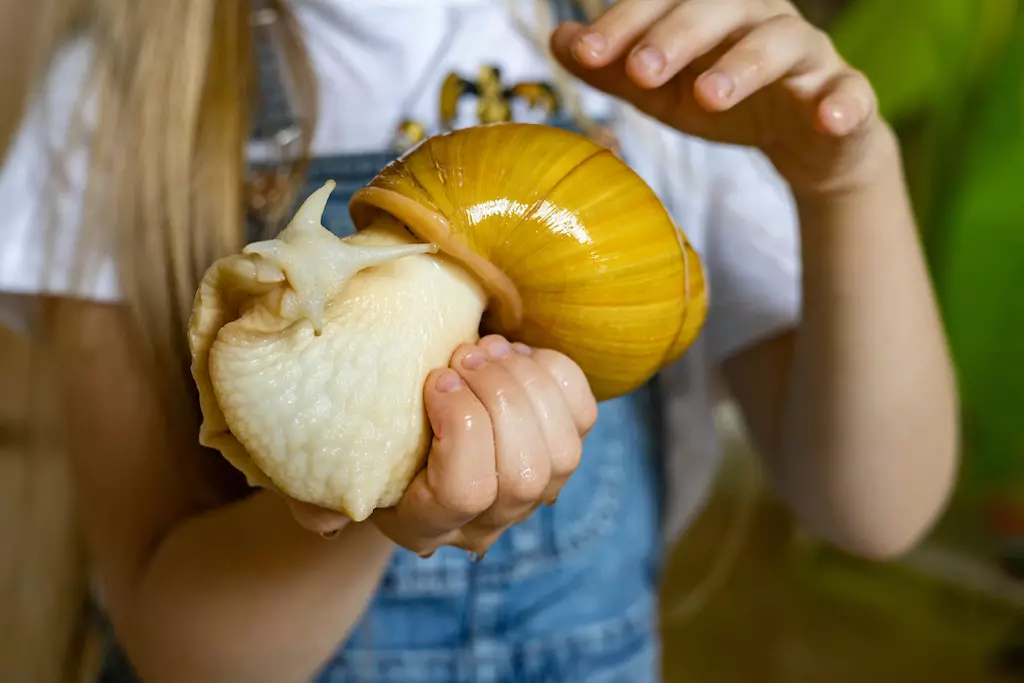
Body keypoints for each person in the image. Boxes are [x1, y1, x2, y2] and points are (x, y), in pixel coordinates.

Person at [0, 1, 959, 682]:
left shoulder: (672, 63)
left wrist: (842, 179)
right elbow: (184, 652)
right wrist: (380, 489)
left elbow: (874, 508)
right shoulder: (117, 103)